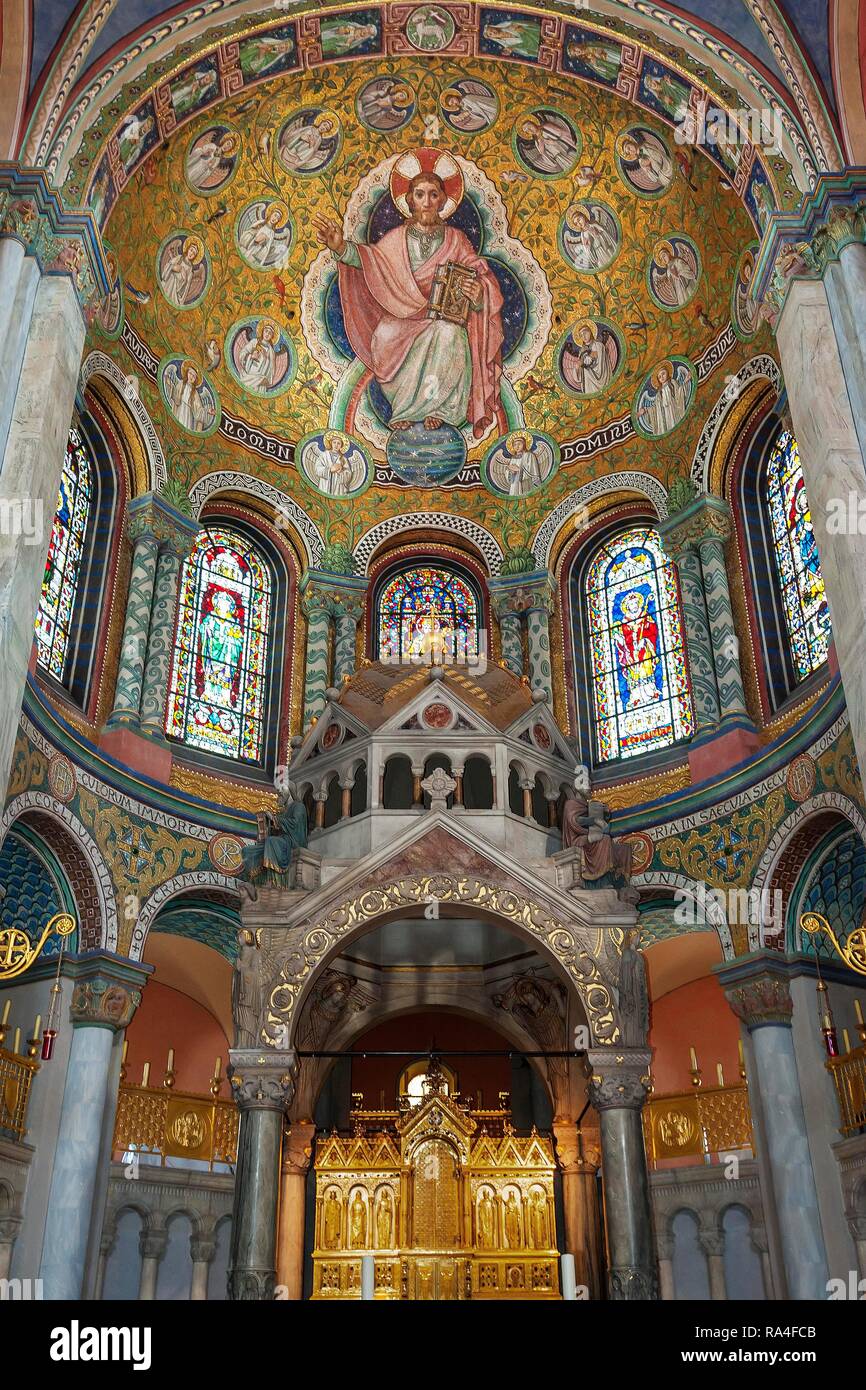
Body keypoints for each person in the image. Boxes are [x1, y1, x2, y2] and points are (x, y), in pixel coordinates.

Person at [314, 168, 503, 434]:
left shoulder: (456, 240)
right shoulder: (396, 239)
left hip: (440, 320)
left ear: (442, 201)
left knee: (451, 334)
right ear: (410, 201)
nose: (426, 201)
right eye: (420, 194)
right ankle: (404, 409)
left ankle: (439, 409)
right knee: (386, 333)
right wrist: (340, 248)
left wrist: (478, 293)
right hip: (402, 319)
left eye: (433, 194)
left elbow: (480, 274)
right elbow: (370, 262)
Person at [241, 783, 309, 885]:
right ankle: (256, 883)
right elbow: (277, 828)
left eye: (282, 792)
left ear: (290, 791)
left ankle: (274, 881)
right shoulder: (282, 811)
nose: (279, 795)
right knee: (248, 851)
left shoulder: (298, 806)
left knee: (271, 842)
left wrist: (274, 818)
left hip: (291, 841)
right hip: (280, 841)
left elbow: (295, 824)